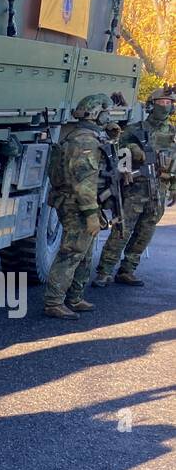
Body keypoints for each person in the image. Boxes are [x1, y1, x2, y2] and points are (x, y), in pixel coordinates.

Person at [93, 88, 175, 288]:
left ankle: (128, 270)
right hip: (134, 190)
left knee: (145, 232)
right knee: (122, 231)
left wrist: (173, 188)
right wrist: (131, 151)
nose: (164, 106)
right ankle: (104, 271)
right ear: (151, 104)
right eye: (161, 102)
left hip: (159, 190)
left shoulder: (173, 133)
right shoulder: (135, 129)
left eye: (168, 103)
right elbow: (115, 152)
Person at [43, 93, 112, 319]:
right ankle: (54, 301)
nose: (108, 116)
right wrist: (92, 214)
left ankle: (74, 297)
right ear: (96, 114)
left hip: (77, 202)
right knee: (72, 251)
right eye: (105, 113)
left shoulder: (85, 136)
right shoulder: (86, 142)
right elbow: (85, 184)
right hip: (77, 204)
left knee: (86, 250)